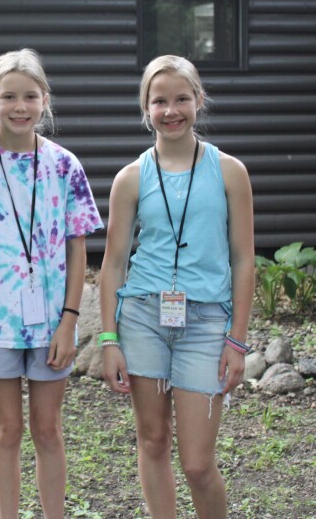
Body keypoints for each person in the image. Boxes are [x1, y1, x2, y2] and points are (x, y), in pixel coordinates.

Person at [0, 49, 103, 518]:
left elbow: (77, 246)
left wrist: (70, 320)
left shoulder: (64, 165)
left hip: (52, 320)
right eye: (9, 96)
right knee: (6, 430)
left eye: (30, 96)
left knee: (47, 429)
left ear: (44, 100)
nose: (20, 106)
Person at [99, 55, 254, 518]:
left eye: (181, 99)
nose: (171, 111)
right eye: (159, 101)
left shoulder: (229, 172)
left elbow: (244, 260)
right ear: (145, 107)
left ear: (199, 100)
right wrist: (109, 339)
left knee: (197, 464)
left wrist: (237, 341)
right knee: (152, 440)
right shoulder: (131, 178)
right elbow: (113, 264)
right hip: (144, 318)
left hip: (206, 324)